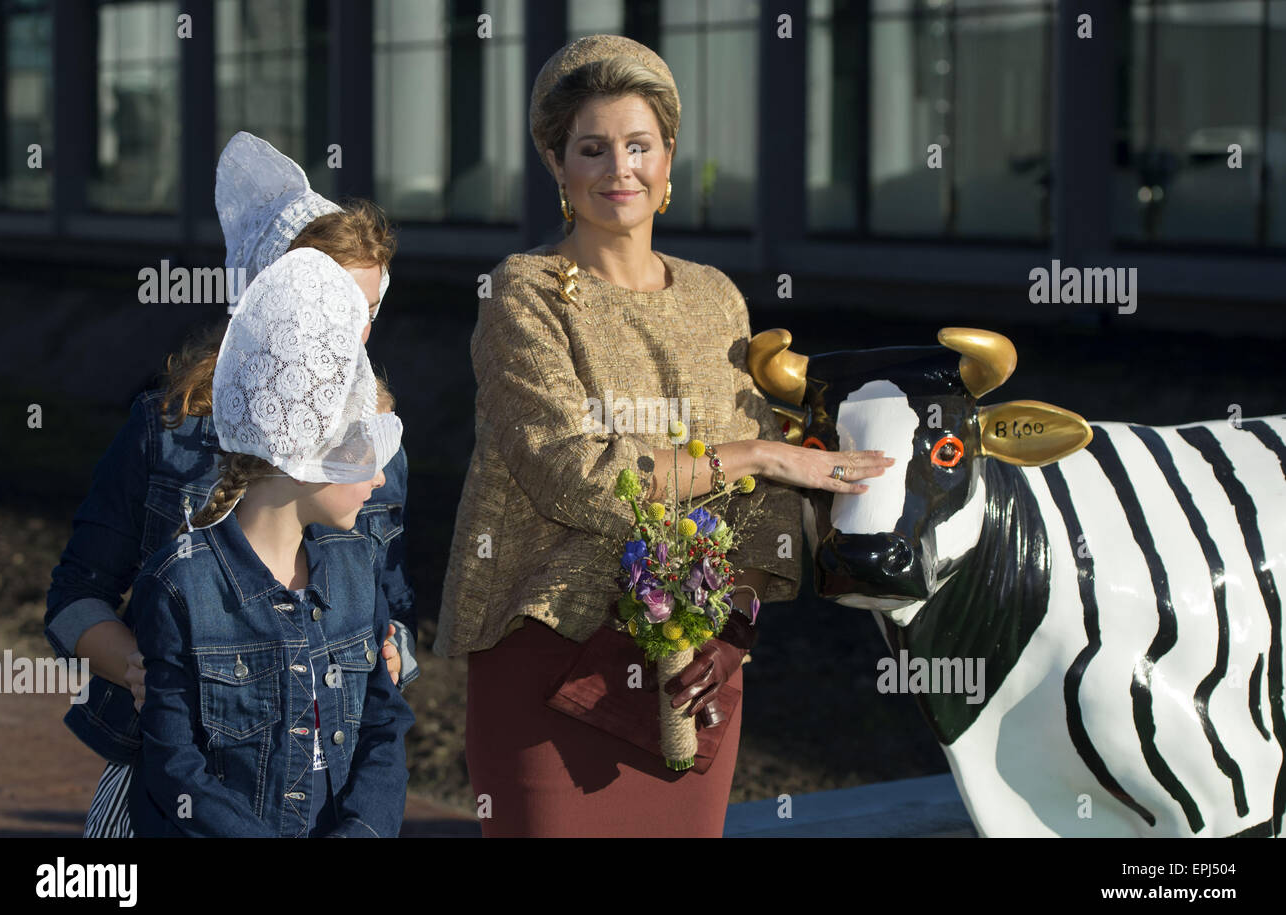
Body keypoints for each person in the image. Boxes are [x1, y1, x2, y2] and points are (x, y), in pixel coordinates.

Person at [436, 35, 894, 837]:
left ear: (669, 155)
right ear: (556, 164)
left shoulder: (716, 296)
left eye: (639, 145)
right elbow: (573, 474)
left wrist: (734, 628)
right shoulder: (526, 292)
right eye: (593, 148)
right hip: (549, 652)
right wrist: (750, 456)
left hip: (697, 662)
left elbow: (769, 507)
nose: (621, 169)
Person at [44, 132, 418, 838]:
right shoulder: (169, 431)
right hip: (175, 789)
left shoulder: (376, 450)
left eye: (368, 311)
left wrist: (391, 648)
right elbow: (73, 598)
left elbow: (393, 610)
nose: (357, 338)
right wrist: (140, 665)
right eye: (336, 311)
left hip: (324, 796)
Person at [128, 247, 413, 837]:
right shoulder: (181, 585)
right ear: (305, 456)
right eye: (366, 453)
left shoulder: (357, 569)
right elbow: (176, 767)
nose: (381, 478)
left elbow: (385, 729)